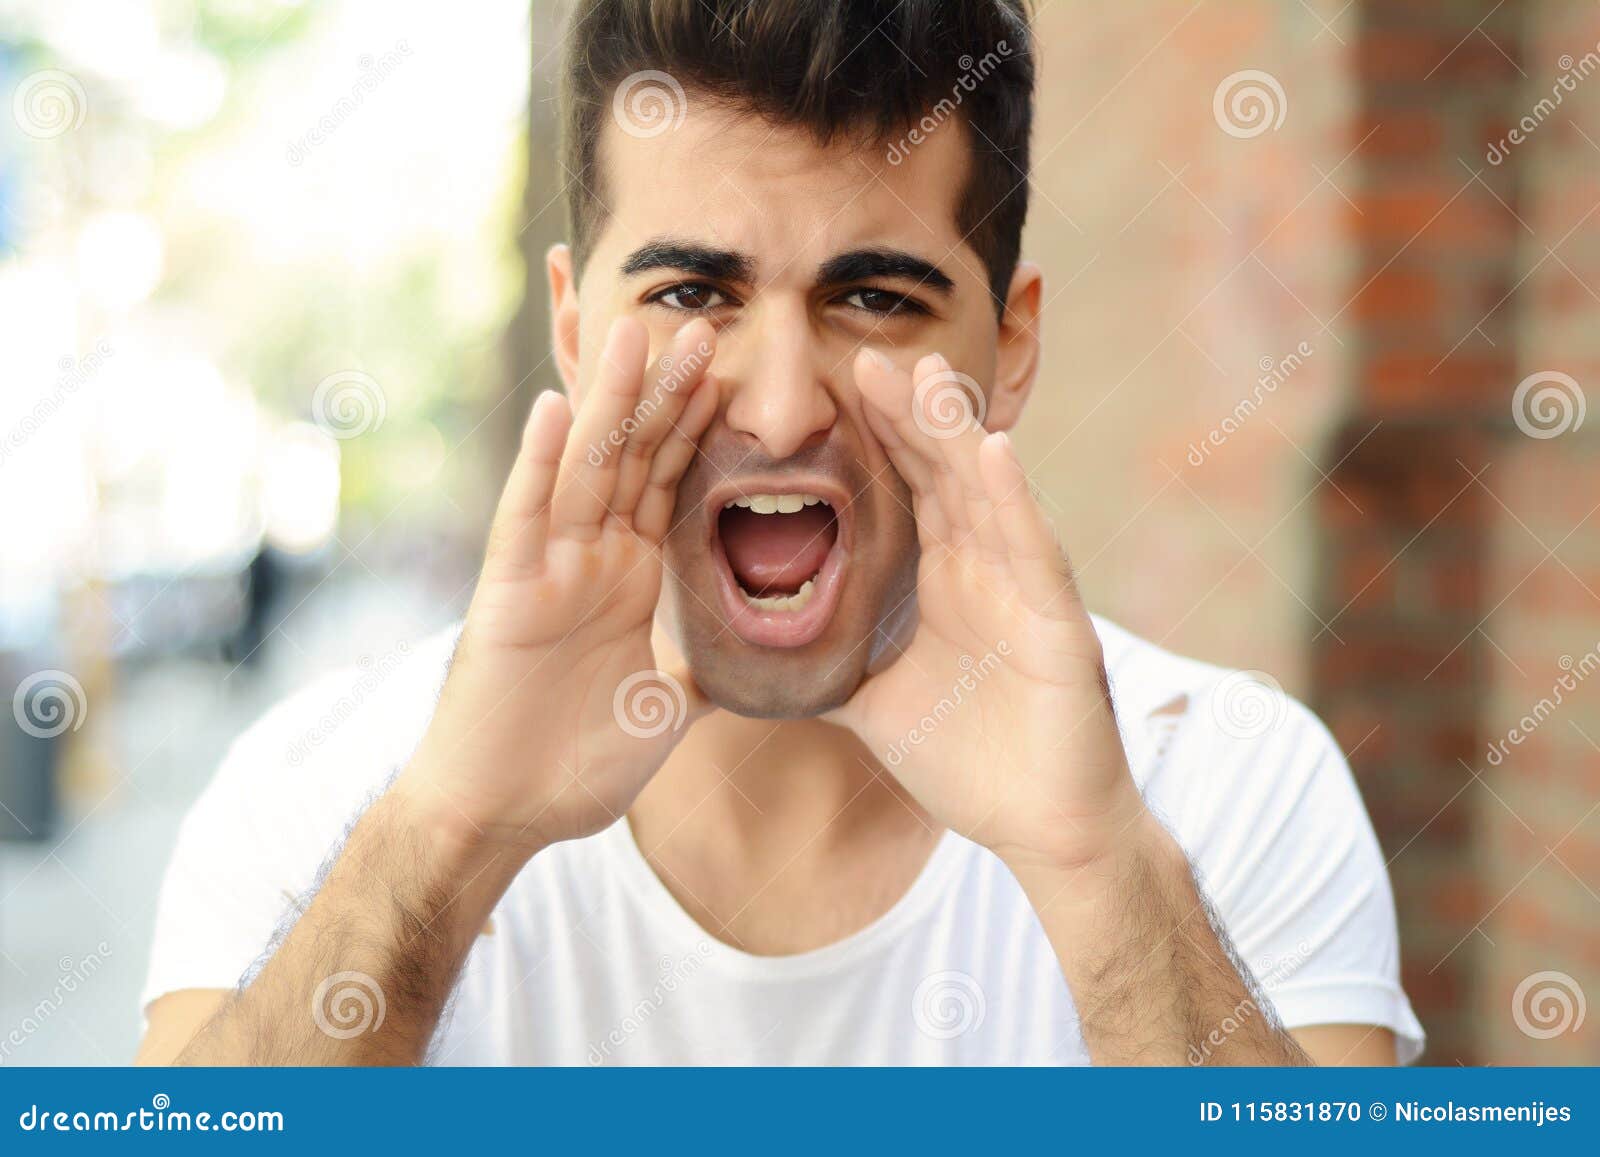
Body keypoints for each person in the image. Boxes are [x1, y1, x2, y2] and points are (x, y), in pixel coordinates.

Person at [137, 0, 1424, 1066]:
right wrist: (450, 836)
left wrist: (1090, 865)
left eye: (874, 296)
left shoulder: (1228, 782)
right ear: (579, 335)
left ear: (1010, 345)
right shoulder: (319, 787)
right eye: (693, 292)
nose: (778, 402)